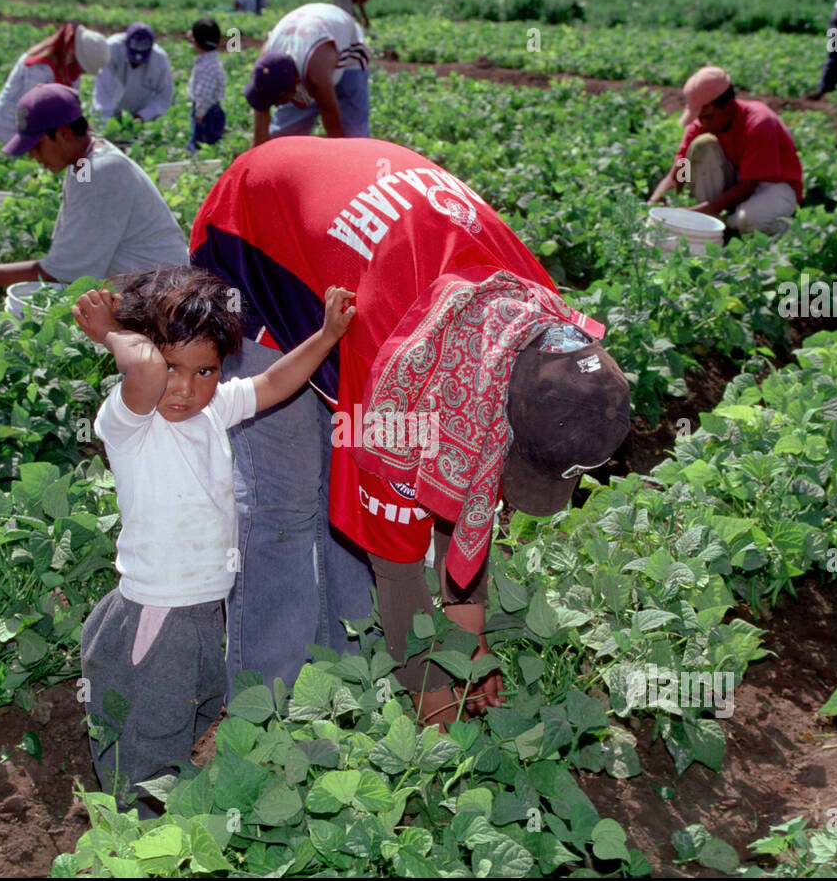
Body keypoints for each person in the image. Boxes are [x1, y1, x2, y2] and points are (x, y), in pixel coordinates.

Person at [191, 137, 630, 726]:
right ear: (498, 407)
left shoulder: (536, 326)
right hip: (252, 236)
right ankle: (264, 713)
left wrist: (468, 650)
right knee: (287, 502)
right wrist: (434, 702)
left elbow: (466, 492)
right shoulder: (400, 384)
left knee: (340, 476)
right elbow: (396, 556)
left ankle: (347, 671)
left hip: (355, 267)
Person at [72, 269, 356, 818]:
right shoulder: (131, 422)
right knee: (152, 730)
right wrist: (109, 331)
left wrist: (325, 336)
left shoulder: (211, 411)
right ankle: (136, 829)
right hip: (159, 615)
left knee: (195, 710)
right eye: (172, 368)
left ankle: (174, 807)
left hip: (205, 612)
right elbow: (146, 367)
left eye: (205, 370)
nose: (184, 387)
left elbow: (273, 383)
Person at [0, 83, 189, 290]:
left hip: (162, 299)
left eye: (37, 146)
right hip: (146, 289)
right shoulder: (85, 162)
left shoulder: (102, 173)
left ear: (65, 134)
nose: (33, 156)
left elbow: (61, 275)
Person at [648, 66, 803, 237]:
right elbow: (680, 172)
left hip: (774, 186)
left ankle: (772, 229)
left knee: (749, 220)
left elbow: (748, 186)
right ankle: (718, 222)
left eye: (708, 116)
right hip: (738, 179)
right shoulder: (701, 124)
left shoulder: (759, 122)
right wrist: (653, 204)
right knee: (702, 145)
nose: (702, 123)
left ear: (729, 106)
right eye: (699, 116)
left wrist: (693, 213)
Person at [245, 2, 370, 145]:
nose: (277, 106)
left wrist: (338, 154)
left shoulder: (317, 76)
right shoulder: (263, 72)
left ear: (294, 85)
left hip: (346, 45)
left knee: (352, 136)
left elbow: (331, 117)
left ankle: (356, 160)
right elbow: (260, 126)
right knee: (283, 139)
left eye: (278, 101)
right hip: (309, 32)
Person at [0, 23, 109, 145]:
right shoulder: (40, 67)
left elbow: (70, 106)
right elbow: (33, 111)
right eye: (83, 67)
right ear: (74, 55)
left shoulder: (69, 69)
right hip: (10, 130)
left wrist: (86, 131)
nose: (82, 72)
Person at [93, 21, 172, 124]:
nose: (136, 63)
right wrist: (105, 124)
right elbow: (103, 90)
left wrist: (142, 116)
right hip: (110, 109)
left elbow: (164, 96)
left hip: (142, 116)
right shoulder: (111, 50)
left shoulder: (159, 59)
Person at [186, 17, 226, 153]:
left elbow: (204, 96)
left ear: (195, 42)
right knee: (208, 148)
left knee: (199, 147)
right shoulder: (212, 62)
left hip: (206, 114)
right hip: (209, 111)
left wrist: (199, 116)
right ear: (219, 41)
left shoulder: (206, 66)